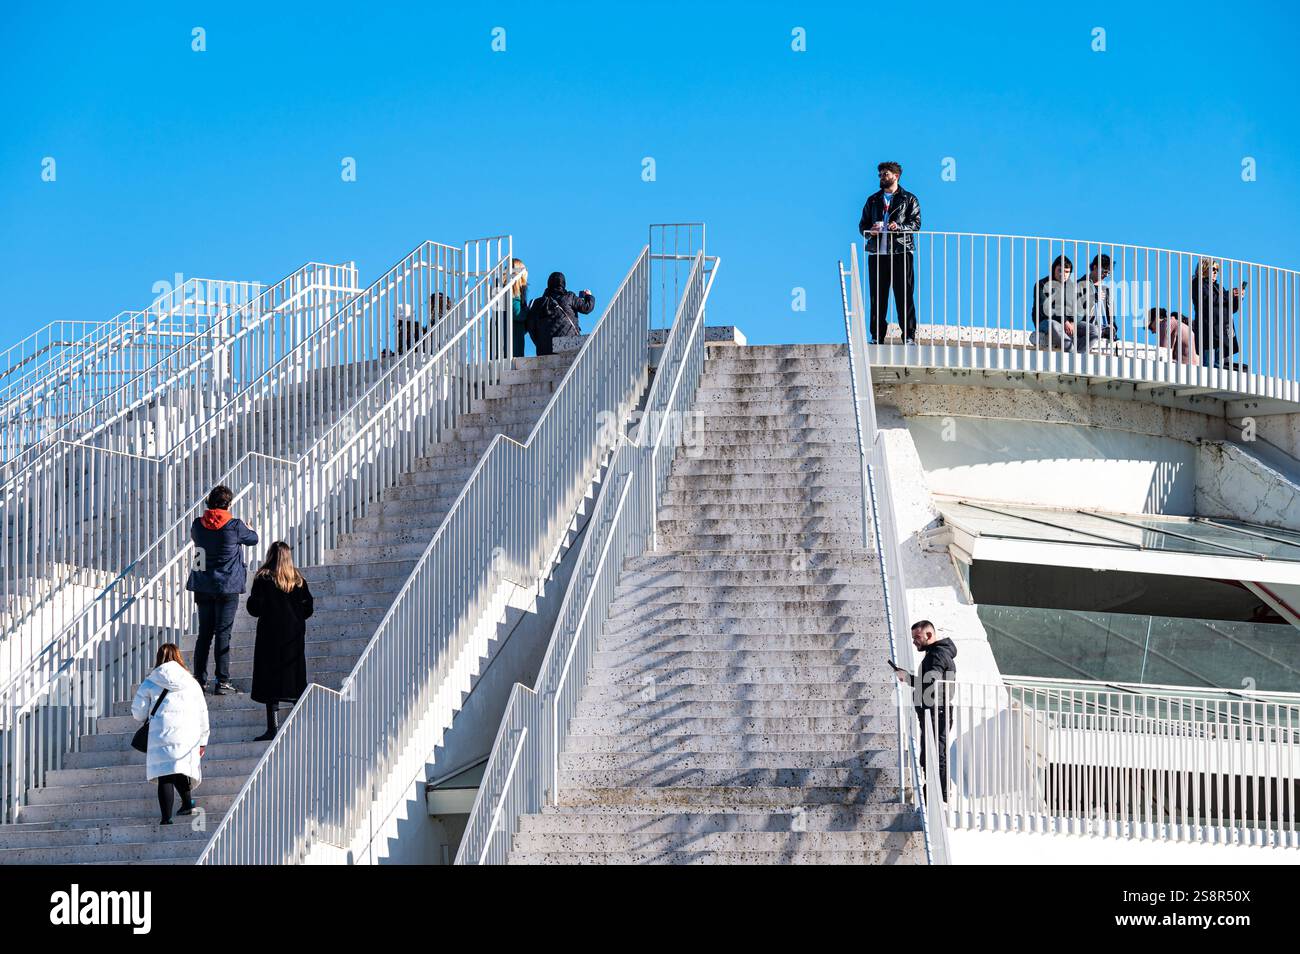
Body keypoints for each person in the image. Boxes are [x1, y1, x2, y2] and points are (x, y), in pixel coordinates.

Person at [186, 485, 258, 695]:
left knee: (204, 634)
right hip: (227, 587)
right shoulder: (235, 526)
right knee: (223, 634)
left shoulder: (198, 525)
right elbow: (253, 539)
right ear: (229, 504)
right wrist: (250, 527)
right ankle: (222, 681)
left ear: (209, 502)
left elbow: (197, 541)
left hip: (203, 586)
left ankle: (199, 679)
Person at [132, 643, 210, 825]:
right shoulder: (192, 682)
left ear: (159, 658)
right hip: (187, 734)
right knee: (180, 767)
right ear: (179, 657)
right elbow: (202, 713)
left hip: (161, 733)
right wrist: (203, 740)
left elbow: (138, 713)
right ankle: (187, 803)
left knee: (165, 774)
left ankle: (166, 819)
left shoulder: (151, 681)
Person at [246, 541, 314, 741]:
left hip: (270, 636)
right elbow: (308, 608)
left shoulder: (263, 578)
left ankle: (273, 727)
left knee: (270, 680)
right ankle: (299, 724)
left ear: (271, 556)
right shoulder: (298, 579)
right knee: (294, 678)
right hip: (293, 636)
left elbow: (254, 609)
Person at [857, 161, 922, 344]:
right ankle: (877, 336)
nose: (881, 178)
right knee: (877, 297)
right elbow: (862, 226)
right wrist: (871, 230)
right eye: (880, 175)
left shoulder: (909, 199)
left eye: (885, 174)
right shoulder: (873, 200)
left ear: (896, 176)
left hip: (901, 252)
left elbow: (916, 224)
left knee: (904, 295)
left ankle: (908, 336)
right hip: (877, 254)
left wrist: (899, 226)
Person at [893, 620, 957, 801]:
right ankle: (936, 793)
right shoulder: (935, 653)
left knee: (936, 755)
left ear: (929, 635)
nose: (914, 641)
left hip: (938, 712)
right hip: (935, 711)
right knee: (931, 755)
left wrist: (908, 678)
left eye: (917, 637)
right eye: (913, 638)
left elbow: (931, 683)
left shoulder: (937, 655)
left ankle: (940, 796)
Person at [1191, 257, 1245, 369]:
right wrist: (1229, 294)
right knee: (1209, 365)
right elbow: (1210, 300)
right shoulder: (1198, 283)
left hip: (1221, 332)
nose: (1216, 272)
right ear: (1204, 268)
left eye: (1217, 270)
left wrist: (1237, 298)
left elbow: (1230, 309)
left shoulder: (1218, 287)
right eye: (1213, 269)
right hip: (1209, 331)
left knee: (1218, 365)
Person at [526, 272, 594, 356]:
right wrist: (589, 296)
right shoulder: (570, 297)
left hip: (544, 348)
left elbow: (531, 326)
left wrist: (540, 343)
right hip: (569, 344)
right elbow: (587, 307)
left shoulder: (537, 303)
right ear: (563, 284)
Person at [1031, 255, 1086, 352]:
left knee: (1093, 330)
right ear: (1053, 269)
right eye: (1060, 270)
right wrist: (1064, 320)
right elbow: (1045, 309)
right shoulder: (1041, 284)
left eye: (1067, 272)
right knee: (1053, 325)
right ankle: (1074, 357)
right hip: (1046, 322)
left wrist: (1073, 321)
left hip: (1069, 323)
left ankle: (1079, 356)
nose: (1063, 274)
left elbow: (1080, 310)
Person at [1075, 254, 1115, 350]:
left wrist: (1113, 327)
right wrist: (1093, 298)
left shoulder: (1106, 289)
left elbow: (1110, 313)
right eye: (1105, 271)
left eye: (1108, 273)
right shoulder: (1079, 284)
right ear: (1095, 267)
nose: (1106, 275)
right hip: (1083, 325)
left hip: (1101, 328)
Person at [509, 259, 530, 359]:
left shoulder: (499, 288)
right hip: (513, 336)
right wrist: (529, 311)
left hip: (503, 334)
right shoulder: (514, 292)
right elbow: (517, 314)